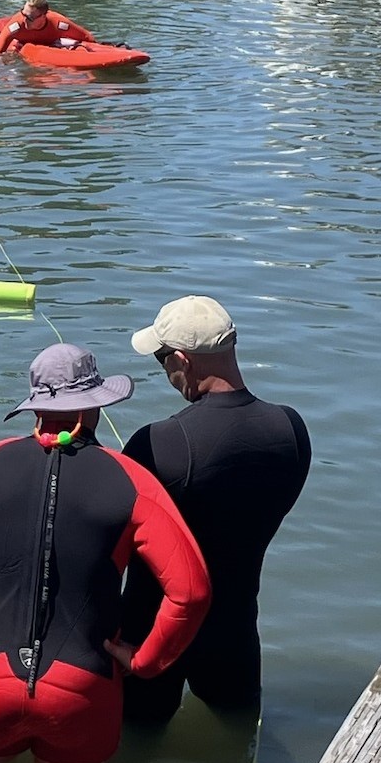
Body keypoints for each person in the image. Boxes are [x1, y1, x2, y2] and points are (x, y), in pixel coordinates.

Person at [0, 343, 210, 763]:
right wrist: (145, 661)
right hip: (83, 690)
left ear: (36, 406)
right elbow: (190, 593)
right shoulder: (132, 481)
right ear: (95, 405)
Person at [120, 296, 312, 725]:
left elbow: (113, 540)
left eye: (162, 360)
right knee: (237, 739)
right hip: (235, 631)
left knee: (135, 743)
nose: (165, 372)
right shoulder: (291, 429)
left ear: (182, 361)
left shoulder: (157, 442)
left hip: (150, 635)